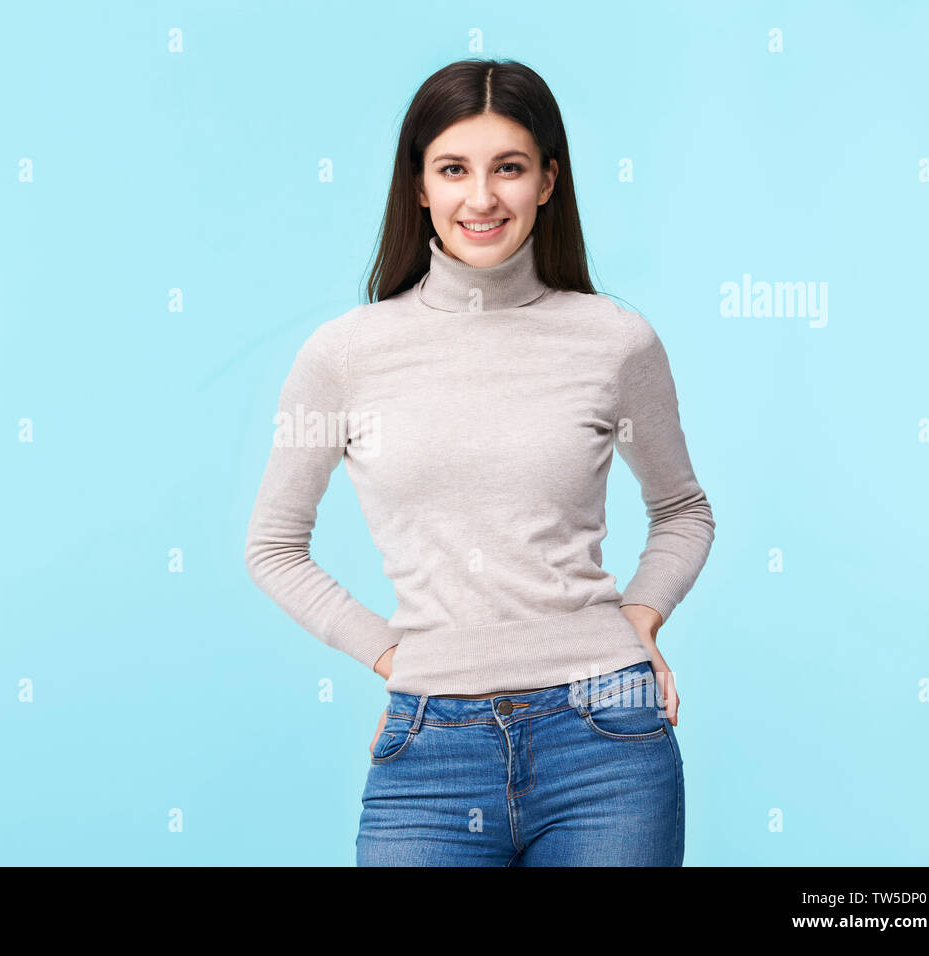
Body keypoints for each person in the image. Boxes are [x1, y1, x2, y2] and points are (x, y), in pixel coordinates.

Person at [244, 58, 715, 866]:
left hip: (608, 736)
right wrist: (394, 653)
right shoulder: (345, 355)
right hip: (429, 750)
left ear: (548, 181)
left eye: (510, 168)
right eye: (454, 169)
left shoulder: (613, 340)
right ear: (420, 186)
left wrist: (640, 618)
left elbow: (683, 512)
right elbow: (273, 546)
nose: (483, 196)